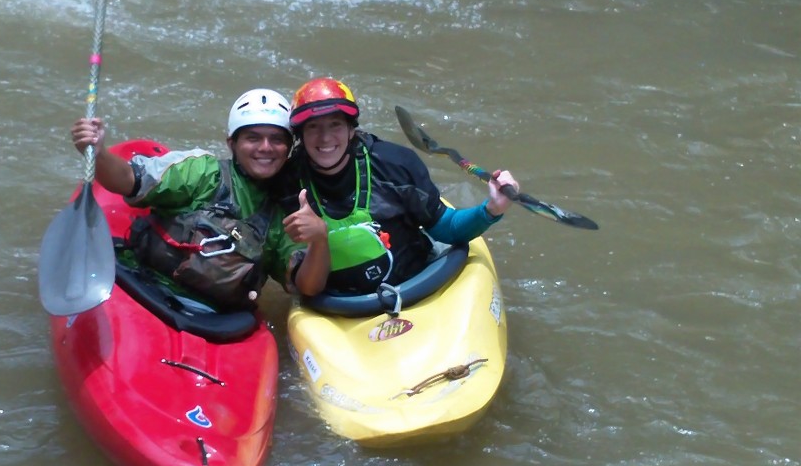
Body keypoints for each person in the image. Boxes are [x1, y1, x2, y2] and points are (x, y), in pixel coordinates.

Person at [70, 88, 329, 309]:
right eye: (253, 138)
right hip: (145, 287)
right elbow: (128, 180)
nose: (265, 147)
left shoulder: (283, 213)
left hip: (212, 316)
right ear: (232, 143)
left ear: (288, 148)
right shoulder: (202, 172)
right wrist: (98, 152)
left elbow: (308, 286)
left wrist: (319, 238)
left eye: (276, 140)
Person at [283, 77, 519, 295]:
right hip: (341, 306)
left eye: (335, 125)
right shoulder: (287, 183)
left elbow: (446, 229)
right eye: (313, 127)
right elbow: (304, 283)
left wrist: (491, 209)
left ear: (351, 129)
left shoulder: (395, 165)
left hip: (414, 286)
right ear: (301, 135)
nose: (325, 138)